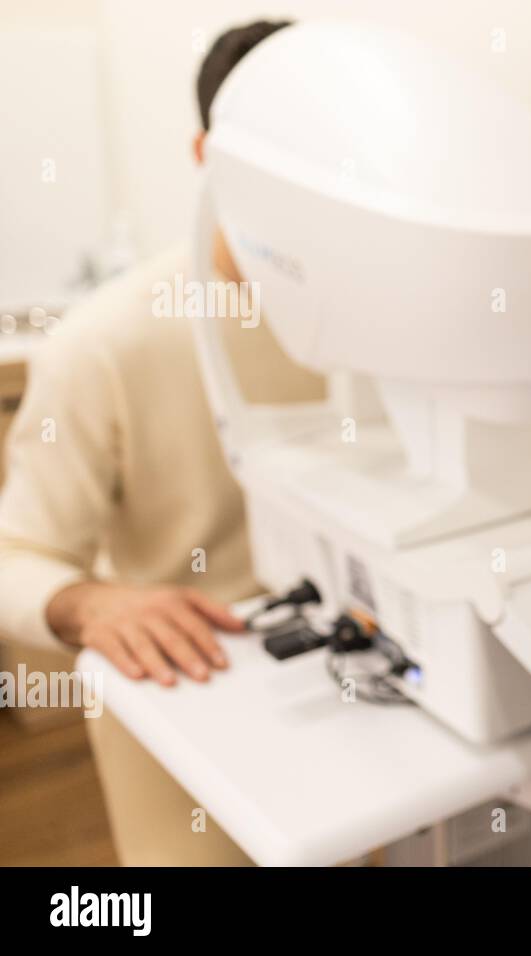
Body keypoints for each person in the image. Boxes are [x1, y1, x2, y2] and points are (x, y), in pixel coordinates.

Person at [0, 19, 322, 865]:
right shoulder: (104, 343)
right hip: (183, 687)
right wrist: (91, 603)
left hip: (344, 686)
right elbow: (14, 554)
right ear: (205, 154)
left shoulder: (373, 323)